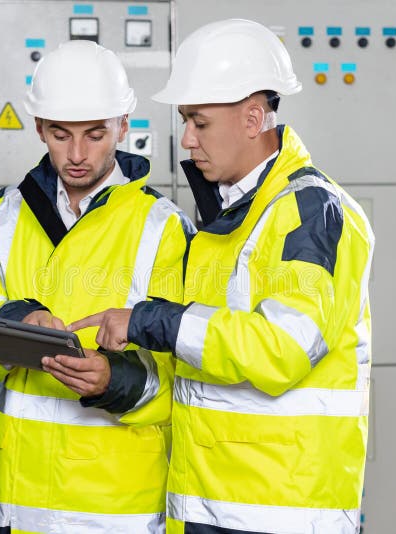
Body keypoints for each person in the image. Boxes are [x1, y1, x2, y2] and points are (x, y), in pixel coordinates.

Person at [70, 19, 375, 534]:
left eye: (200, 122)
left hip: (280, 513)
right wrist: (112, 381)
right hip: (205, 505)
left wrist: (149, 321)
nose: (186, 139)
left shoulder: (307, 213)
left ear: (254, 118)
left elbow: (284, 347)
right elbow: (197, 379)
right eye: (186, 121)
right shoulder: (221, 226)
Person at [0, 40, 193, 534]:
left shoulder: (163, 228)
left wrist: (111, 382)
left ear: (123, 125)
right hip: (12, 506)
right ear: (39, 128)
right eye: (60, 134)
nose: (76, 155)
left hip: (114, 512)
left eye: (95, 134)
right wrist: (17, 322)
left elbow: (182, 379)